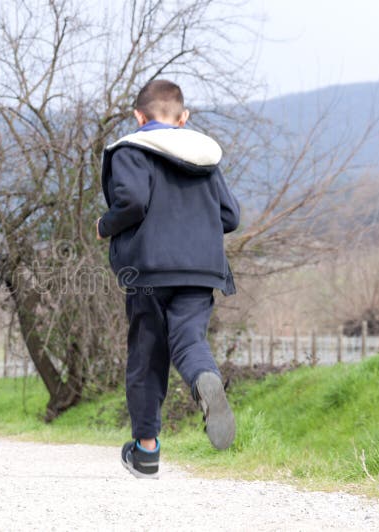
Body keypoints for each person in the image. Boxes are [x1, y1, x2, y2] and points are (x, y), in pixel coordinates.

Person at [96, 80, 240, 479]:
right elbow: (230, 216)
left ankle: (145, 450)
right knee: (189, 341)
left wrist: (104, 225)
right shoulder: (204, 156)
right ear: (184, 118)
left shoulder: (130, 150)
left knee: (147, 355)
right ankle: (203, 378)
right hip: (199, 270)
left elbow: (134, 202)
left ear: (139, 116)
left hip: (149, 270)